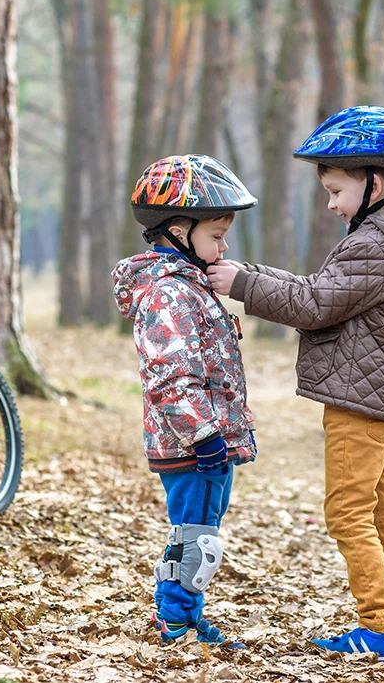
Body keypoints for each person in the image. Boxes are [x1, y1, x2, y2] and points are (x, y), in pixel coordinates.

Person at [208, 106, 384, 658]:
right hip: (379, 402)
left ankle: (379, 628)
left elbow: (314, 305)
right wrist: (253, 275)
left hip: (359, 405)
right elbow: (323, 289)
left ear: (376, 182)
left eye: (337, 189)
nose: (332, 203)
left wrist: (241, 283)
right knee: (380, 512)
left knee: (346, 514)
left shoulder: (374, 243)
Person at [111, 154, 258, 646]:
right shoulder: (167, 294)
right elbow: (171, 377)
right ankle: (174, 623)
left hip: (208, 442)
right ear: (178, 230)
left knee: (201, 536)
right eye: (216, 235)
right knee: (194, 540)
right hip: (194, 444)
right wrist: (204, 433)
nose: (224, 246)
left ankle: (186, 616)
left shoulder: (188, 287)